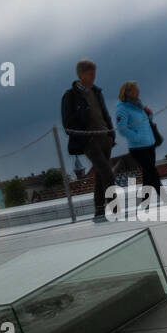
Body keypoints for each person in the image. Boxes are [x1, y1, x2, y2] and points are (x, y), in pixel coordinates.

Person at [60, 59, 116, 221]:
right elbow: (68, 122)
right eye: (91, 74)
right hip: (89, 141)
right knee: (107, 173)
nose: (94, 77)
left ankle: (99, 209)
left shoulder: (96, 92)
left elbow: (104, 114)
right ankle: (115, 207)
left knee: (100, 174)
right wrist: (87, 137)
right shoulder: (70, 96)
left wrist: (111, 134)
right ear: (82, 74)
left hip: (105, 137)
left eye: (94, 73)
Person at [114, 81, 161, 203]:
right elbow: (122, 128)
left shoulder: (138, 105)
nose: (138, 92)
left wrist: (149, 114)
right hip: (137, 146)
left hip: (149, 143)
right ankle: (165, 196)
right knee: (152, 171)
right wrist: (137, 137)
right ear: (128, 92)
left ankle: (145, 201)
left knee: (148, 173)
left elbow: (144, 122)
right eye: (135, 90)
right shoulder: (122, 108)